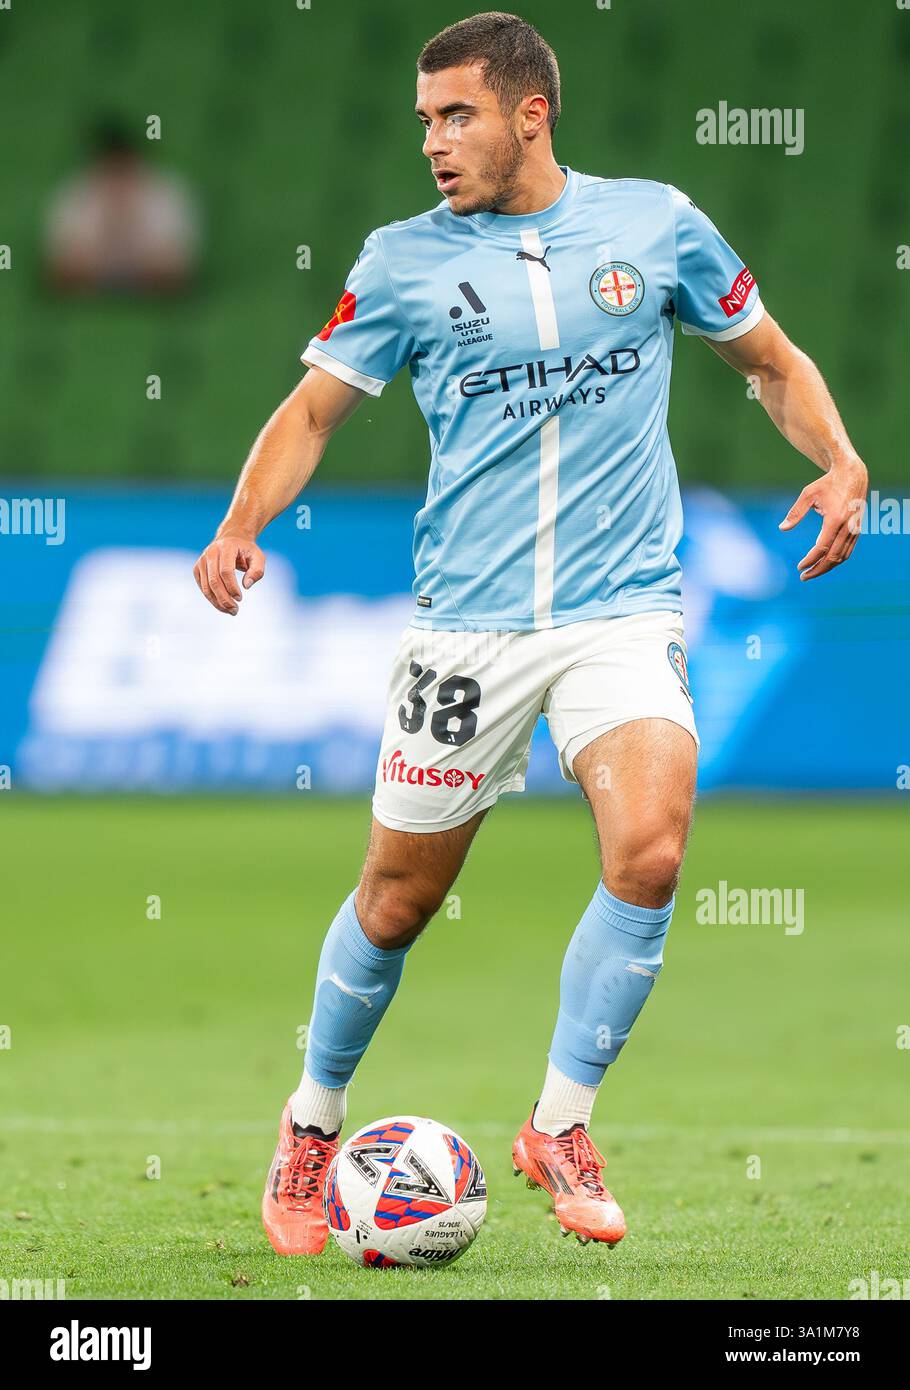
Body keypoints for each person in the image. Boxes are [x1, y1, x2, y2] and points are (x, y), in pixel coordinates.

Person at [193, 12, 868, 1254]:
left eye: (455, 116)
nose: (434, 143)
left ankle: (559, 1120)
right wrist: (242, 522)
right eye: (421, 122)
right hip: (470, 632)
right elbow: (313, 412)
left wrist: (837, 458)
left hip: (624, 608)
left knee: (652, 851)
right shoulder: (400, 261)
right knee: (396, 901)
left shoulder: (656, 226)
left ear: (529, 113)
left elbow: (767, 360)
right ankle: (311, 1118)